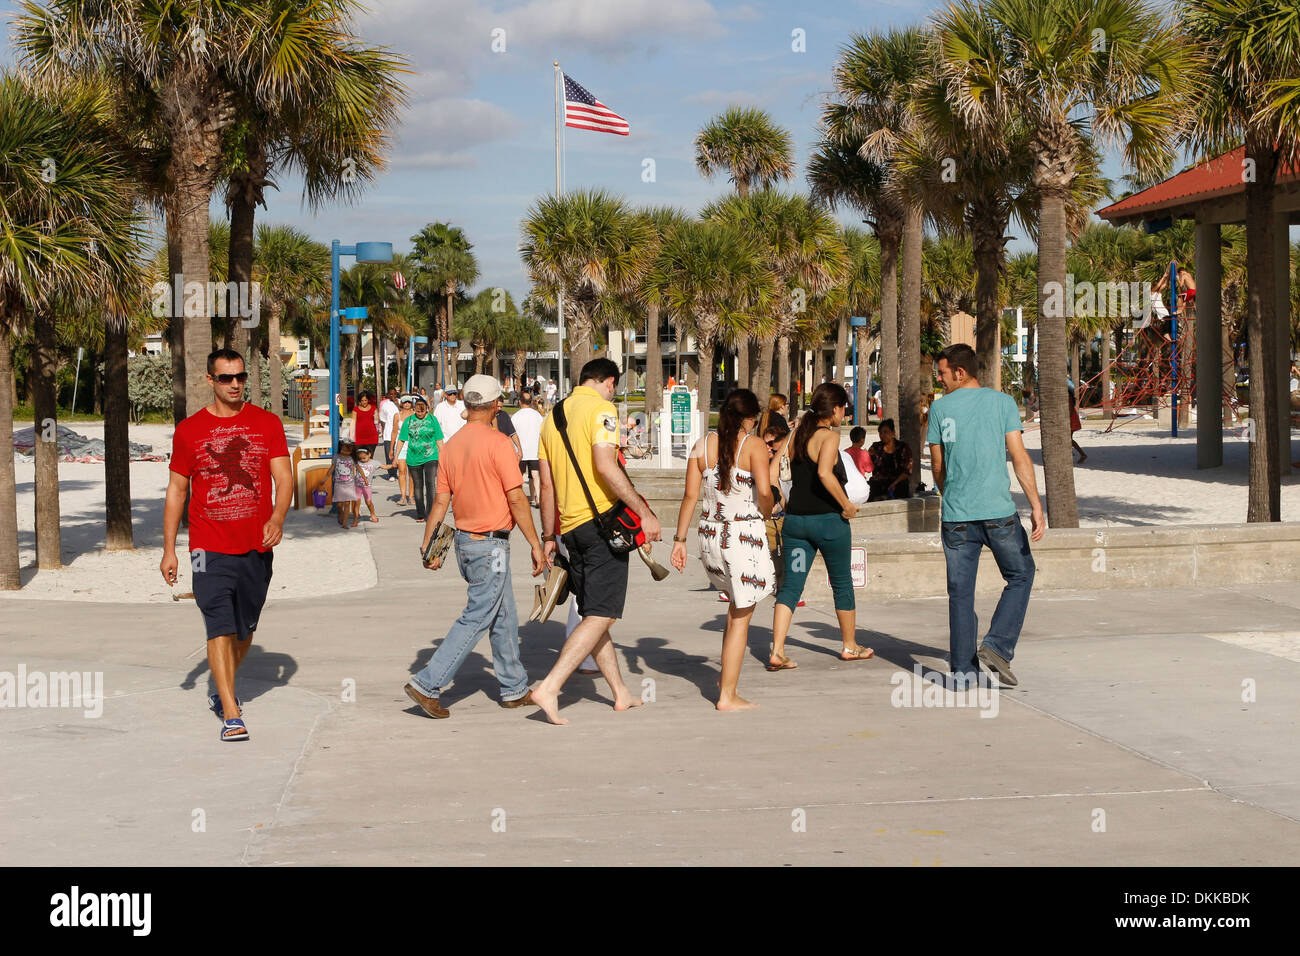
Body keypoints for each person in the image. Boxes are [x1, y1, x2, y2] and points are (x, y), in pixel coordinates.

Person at [161, 348, 291, 742]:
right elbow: (176, 491)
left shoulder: (267, 423)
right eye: (225, 378)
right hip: (206, 547)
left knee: (244, 629)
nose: (234, 384)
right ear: (210, 380)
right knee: (217, 620)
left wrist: (277, 518)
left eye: (239, 377)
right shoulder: (189, 430)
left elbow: (284, 480)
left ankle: (224, 684)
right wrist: (169, 548)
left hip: (255, 545)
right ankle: (231, 710)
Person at [405, 375, 546, 718]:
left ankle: (513, 687)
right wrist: (536, 543)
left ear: (467, 406)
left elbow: (440, 502)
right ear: (496, 405)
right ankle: (428, 683)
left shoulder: (451, 447)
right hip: (491, 546)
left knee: (504, 615)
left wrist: (429, 544)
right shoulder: (500, 445)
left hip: (466, 545)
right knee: (478, 616)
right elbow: (516, 498)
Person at [530, 358, 662, 725]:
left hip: (569, 529)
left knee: (594, 614)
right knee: (603, 613)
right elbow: (606, 465)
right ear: (609, 381)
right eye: (614, 387)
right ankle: (551, 687)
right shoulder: (603, 409)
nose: (613, 393)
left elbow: (546, 485)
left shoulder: (552, 417)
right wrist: (644, 512)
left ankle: (620, 692)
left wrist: (548, 536)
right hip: (601, 526)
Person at [928, 343, 1044, 687]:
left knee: (960, 593)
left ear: (960, 373)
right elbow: (1019, 457)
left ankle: (963, 673)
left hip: (956, 518)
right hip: (999, 515)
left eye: (943, 372)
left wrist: (950, 493)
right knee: (1021, 574)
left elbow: (937, 465)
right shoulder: (1003, 403)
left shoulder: (939, 410)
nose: (940, 378)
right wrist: (1036, 505)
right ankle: (996, 645)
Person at [670, 389, 774, 711]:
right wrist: (769, 509)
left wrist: (680, 540)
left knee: (734, 607)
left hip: (709, 537)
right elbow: (766, 491)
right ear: (748, 418)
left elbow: (690, 497)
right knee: (742, 615)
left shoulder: (702, 445)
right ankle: (727, 695)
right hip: (743, 537)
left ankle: (725, 679)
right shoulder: (753, 445)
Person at [768, 382, 873, 670]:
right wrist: (846, 505)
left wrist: (787, 505)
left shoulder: (795, 436)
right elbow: (826, 474)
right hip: (829, 524)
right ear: (836, 409)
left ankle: (777, 649)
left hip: (797, 524)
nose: (845, 413)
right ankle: (850, 646)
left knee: (791, 586)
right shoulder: (828, 437)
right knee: (841, 583)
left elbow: (771, 472)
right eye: (844, 408)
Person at [397, 397, 445, 522]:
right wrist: (396, 457)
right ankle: (420, 513)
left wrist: (445, 457)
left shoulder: (432, 420)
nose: (420, 414)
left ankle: (430, 513)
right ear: (414, 409)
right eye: (417, 411)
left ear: (427, 410)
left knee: (430, 484)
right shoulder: (409, 421)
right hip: (413, 457)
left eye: (422, 412)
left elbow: (439, 440)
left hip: (431, 456)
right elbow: (401, 439)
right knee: (418, 485)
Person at [512, 389, 544, 507]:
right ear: (530, 402)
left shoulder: (515, 416)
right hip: (535, 450)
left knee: (519, 476)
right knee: (535, 475)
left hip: (520, 451)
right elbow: (542, 431)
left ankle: (519, 498)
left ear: (520, 402)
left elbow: (512, 434)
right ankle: (537, 498)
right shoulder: (537, 416)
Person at [867, 419, 913, 501]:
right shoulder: (876, 447)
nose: (882, 435)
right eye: (880, 433)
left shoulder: (902, 447)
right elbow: (867, 463)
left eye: (886, 432)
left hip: (898, 482)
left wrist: (894, 483)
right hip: (879, 483)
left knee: (902, 486)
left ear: (893, 433)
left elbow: (907, 471)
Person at [354, 446, 395, 522]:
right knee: (357, 503)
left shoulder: (374, 463)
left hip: (367, 487)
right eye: (360, 458)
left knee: (368, 502)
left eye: (364, 458)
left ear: (369, 454)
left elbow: (384, 466)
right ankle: (355, 519)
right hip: (357, 486)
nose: (362, 460)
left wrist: (393, 465)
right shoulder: (358, 462)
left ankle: (372, 514)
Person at [326, 440, 360, 528]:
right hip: (339, 484)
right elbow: (331, 468)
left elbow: (358, 468)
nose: (346, 453)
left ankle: (345, 523)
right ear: (341, 448)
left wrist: (364, 478)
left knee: (347, 503)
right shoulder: (336, 457)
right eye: (344, 450)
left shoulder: (352, 458)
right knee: (339, 505)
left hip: (350, 484)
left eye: (348, 451)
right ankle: (340, 514)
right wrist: (325, 478)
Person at [392, 396, 415, 505]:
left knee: (412, 473)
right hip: (400, 446)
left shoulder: (415, 415)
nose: (407, 404)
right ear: (401, 403)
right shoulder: (397, 415)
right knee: (402, 471)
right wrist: (391, 448)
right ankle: (403, 496)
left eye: (409, 402)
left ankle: (411, 496)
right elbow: (394, 432)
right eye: (405, 402)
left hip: (413, 447)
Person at [378, 387, 400, 475]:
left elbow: (404, 412)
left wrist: (397, 404)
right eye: (391, 394)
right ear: (388, 395)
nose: (392, 396)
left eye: (394, 394)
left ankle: (397, 470)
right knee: (389, 454)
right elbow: (382, 419)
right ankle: (391, 473)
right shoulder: (385, 405)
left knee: (398, 453)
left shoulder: (401, 402)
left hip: (399, 433)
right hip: (388, 433)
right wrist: (383, 431)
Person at [351, 391, 379, 457]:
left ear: (368, 400)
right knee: (359, 458)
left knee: (369, 458)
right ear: (360, 401)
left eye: (365, 400)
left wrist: (377, 417)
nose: (364, 402)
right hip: (359, 438)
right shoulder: (356, 410)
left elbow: (377, 422)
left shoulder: (374, 408)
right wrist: (351, 437)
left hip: (372, 438)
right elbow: (352, 424)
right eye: (362, 400)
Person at [1069, 388, 1087, 464]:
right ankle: (1071, 453)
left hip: (1071, 419)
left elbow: (1069, 410)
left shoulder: (1068, 397)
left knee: (1068, 439)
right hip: (1072, 418)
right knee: (1069, 439)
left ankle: (1082, 454)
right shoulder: (1069, 396)